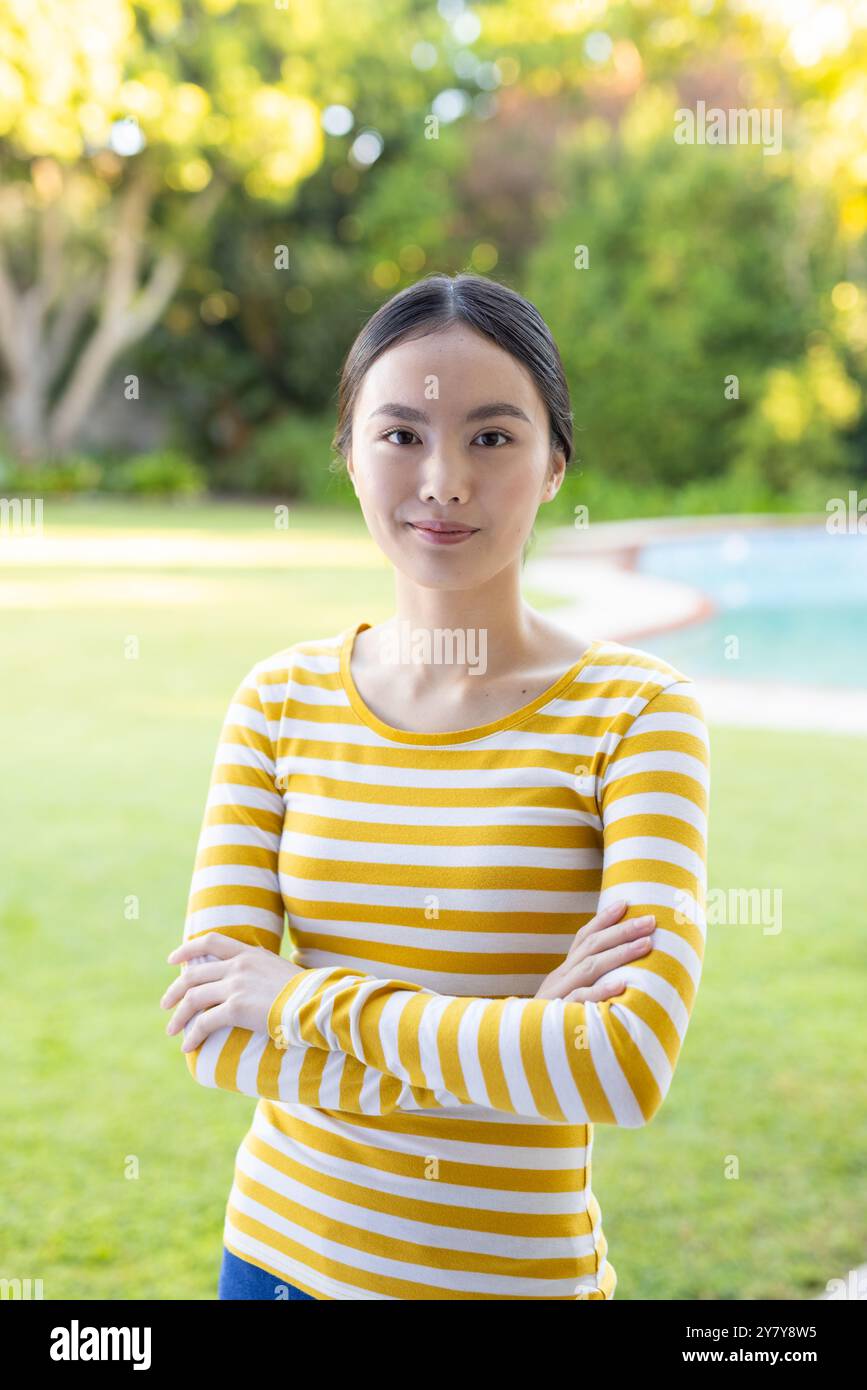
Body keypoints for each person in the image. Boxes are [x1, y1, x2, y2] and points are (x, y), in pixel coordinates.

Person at [161, 272, 710, 1301]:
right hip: (275, 1267)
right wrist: (521, 1035)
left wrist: (299, 999)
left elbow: (622, 1066)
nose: (445, 480)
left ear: (554, 464)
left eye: (491, 436)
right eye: (401, 434)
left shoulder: (639, 716)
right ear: (350, 453)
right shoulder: (278, 701)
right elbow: (215, 1034)